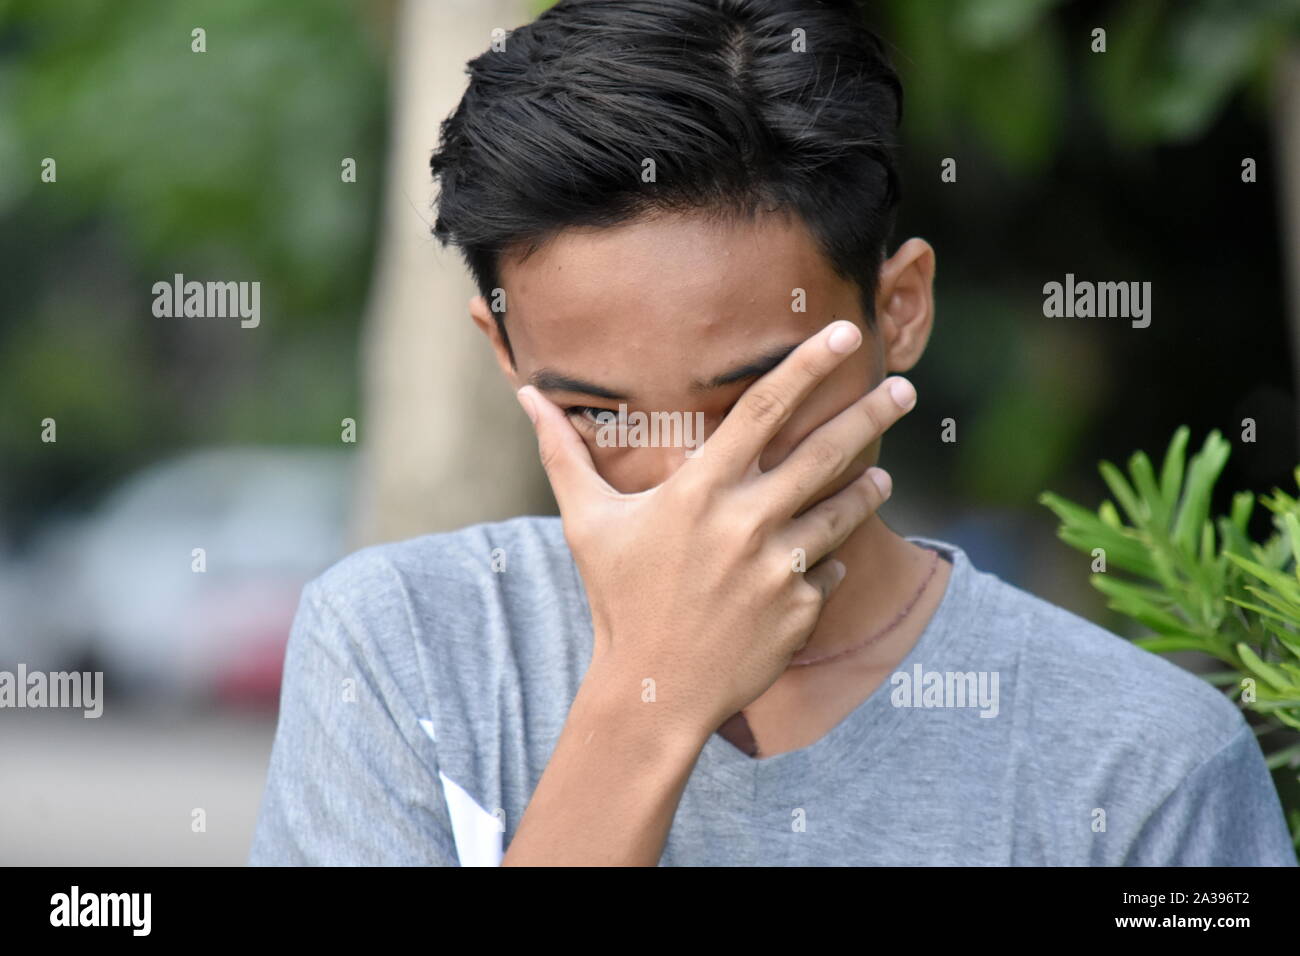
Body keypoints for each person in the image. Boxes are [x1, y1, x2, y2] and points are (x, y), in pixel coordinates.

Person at [249, 0, 1297, 866]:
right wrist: (651, 696)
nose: (686, 480)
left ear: (900, 310)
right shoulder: (398, 652)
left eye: (753, 400)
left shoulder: (1144, 765)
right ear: (504, 351)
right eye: (598, 413)